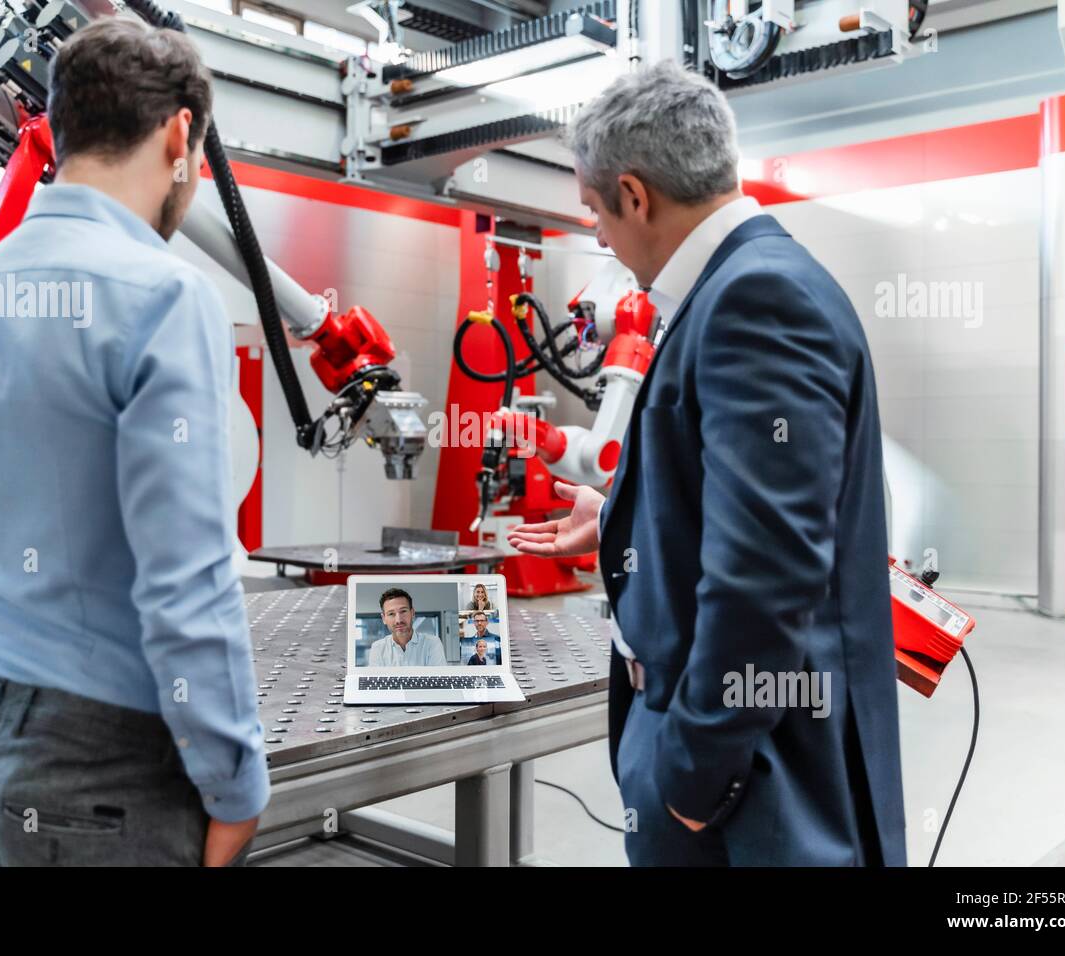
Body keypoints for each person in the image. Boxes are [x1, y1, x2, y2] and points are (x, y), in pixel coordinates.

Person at [508, 61, 904, 867]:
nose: (598, 237)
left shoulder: (756, 301)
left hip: (757, 787)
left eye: (594, 211)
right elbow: (738, 498)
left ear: (635, 195)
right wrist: (623, 515)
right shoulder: (738, 287)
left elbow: (769, 570)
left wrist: (692, 776)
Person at [0, 18, 266, 867]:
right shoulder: (166, 296)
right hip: (113, 788)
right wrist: (235, 787)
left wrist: (31, 678)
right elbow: (185, 579)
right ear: (182, 134)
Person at [367, 587, 446, 666]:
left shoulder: (432, 643)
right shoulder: (378, 648)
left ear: (412, 613)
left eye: (403, 611)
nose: (398, 620)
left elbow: (437, 676)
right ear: (384, 618)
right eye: (391, 614)